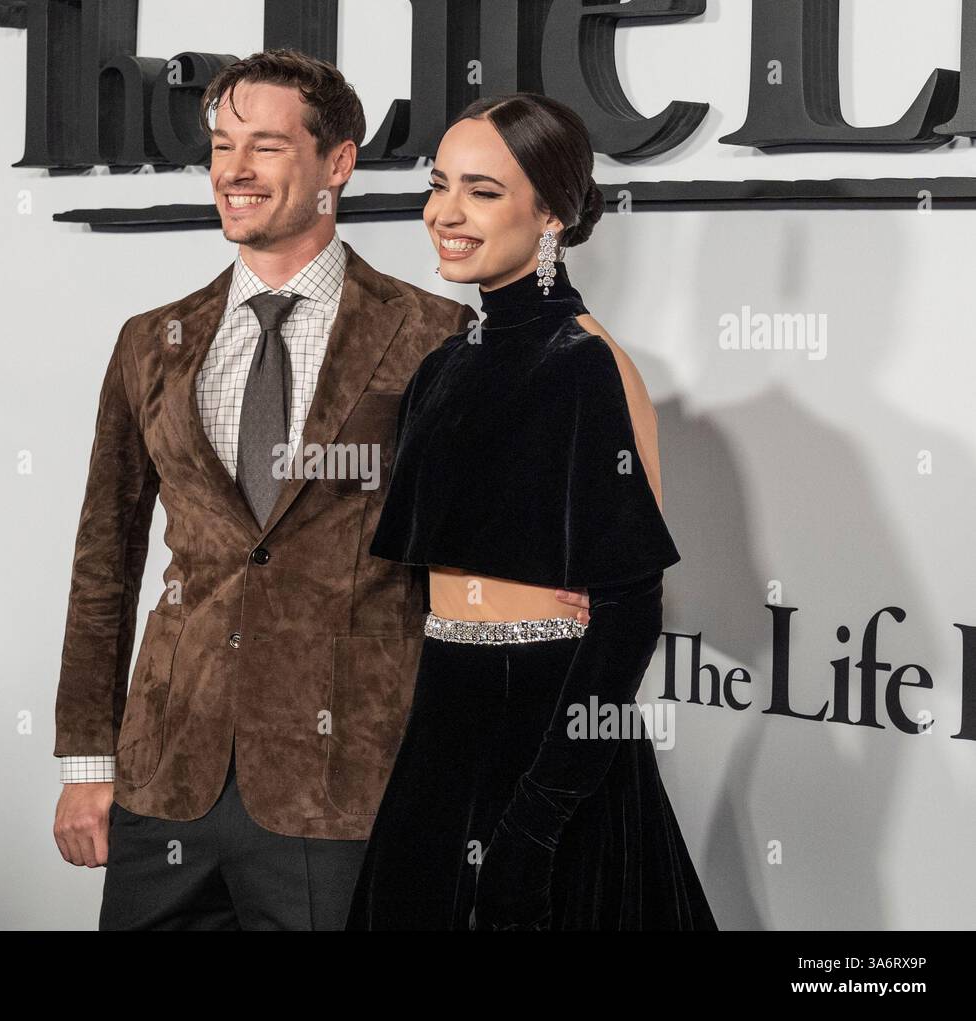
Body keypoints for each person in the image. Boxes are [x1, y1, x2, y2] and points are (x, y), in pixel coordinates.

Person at [50, 51, 595, 930]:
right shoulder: (152, 341)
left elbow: (478, 557)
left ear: (336, 162)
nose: (235, 170)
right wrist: (86, 761)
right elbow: (101, 564)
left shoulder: (436, 334)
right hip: (167, 779)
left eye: (265, 146)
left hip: (349, 784)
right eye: (223, 145)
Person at [346, 93, 717, 930]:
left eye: (481, 191)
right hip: (441, 735)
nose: (445, 212)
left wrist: (533, 828)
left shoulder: (586, 365)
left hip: (548, 748)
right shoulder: (442, 369)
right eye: (440, 184)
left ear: (551, 213)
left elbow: (627, 613)